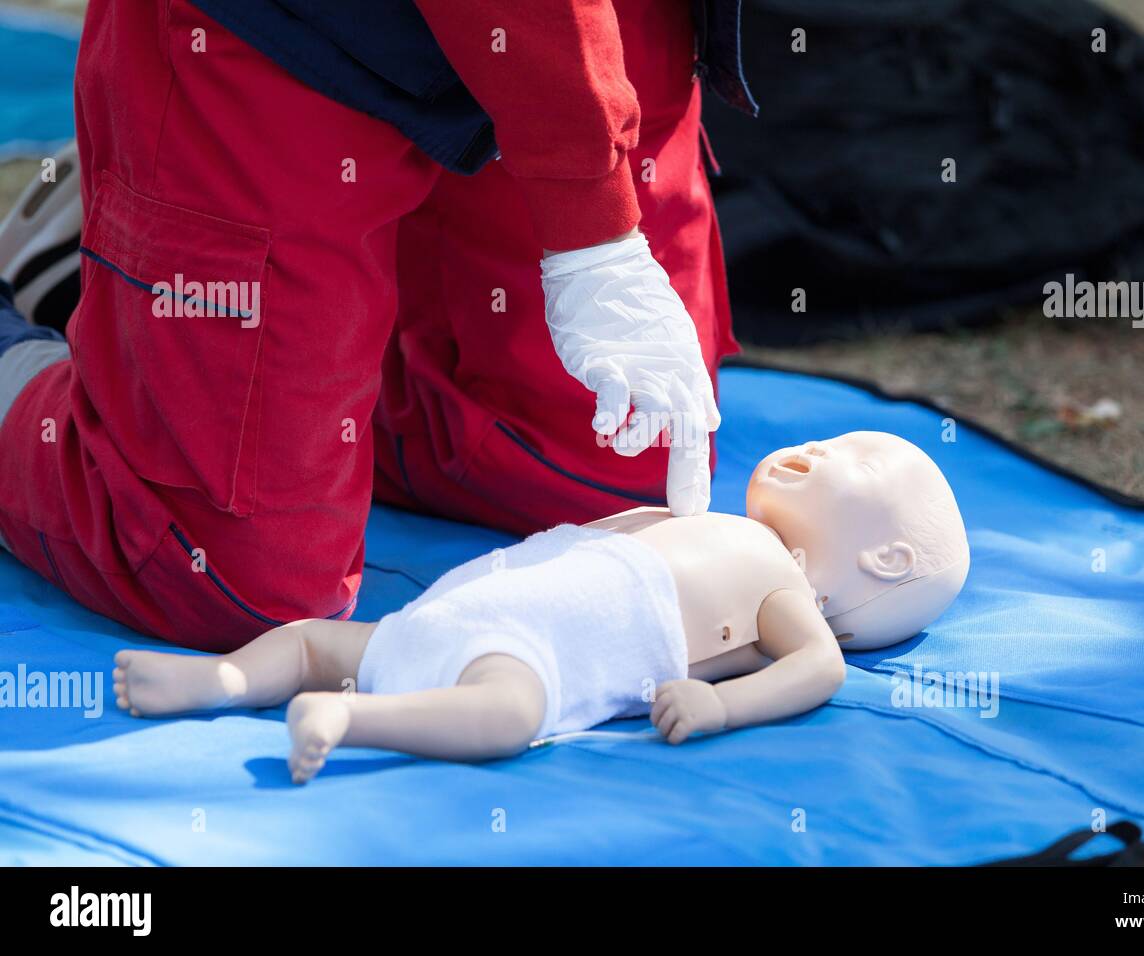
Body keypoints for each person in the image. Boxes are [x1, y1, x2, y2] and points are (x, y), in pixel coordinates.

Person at [0, 1, 756, 650]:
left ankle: (174, 315)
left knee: (608, 466)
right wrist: (592, 227)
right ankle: (139, 277)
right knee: (240, 578)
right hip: (292, 26)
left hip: (583, 24)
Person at [110, 432, 970, 783]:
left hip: (524, 651)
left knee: (508, 714)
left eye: (855, 459)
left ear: (883, 560)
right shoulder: (710, 515)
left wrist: (719, 703)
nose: (822, 445)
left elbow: (817, 669)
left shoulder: (781, 586)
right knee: (312, 640)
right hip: (485, 599)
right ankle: (220, 678)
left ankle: (351, 719)